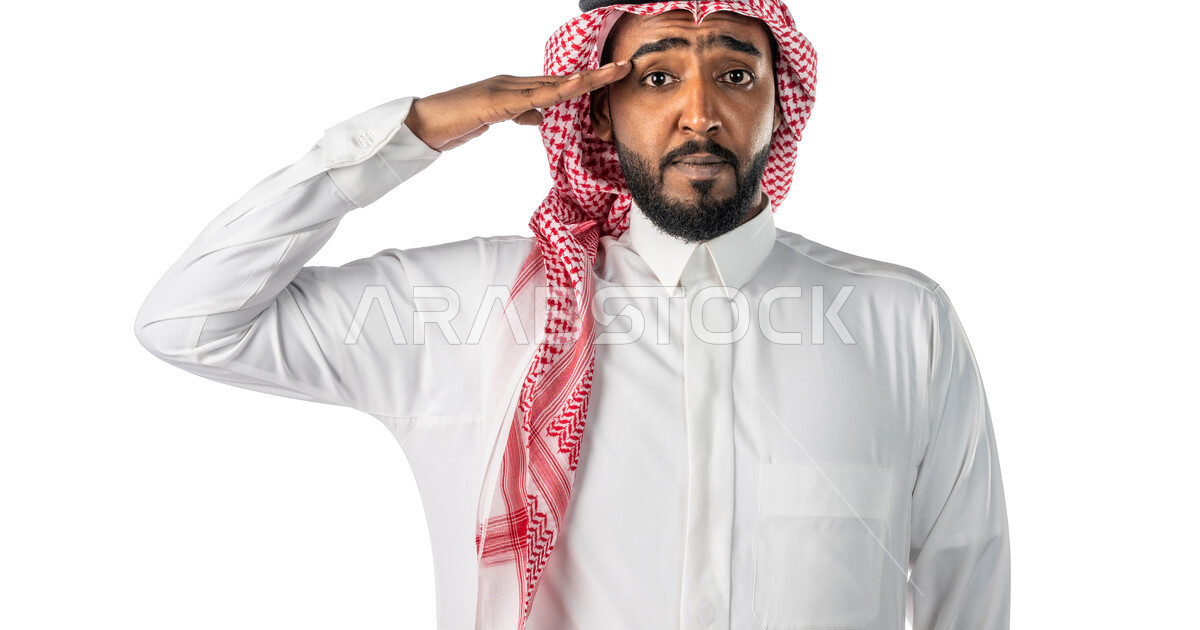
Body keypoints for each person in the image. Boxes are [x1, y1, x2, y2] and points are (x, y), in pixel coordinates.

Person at [133, 1, 1011, 629]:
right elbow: (192, 319)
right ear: (593, 108)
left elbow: (964, 586)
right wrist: (414, 130)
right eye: (657, 74)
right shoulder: (465, 313)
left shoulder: (903, 323)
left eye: (736, 74)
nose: (699, 112)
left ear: (781, 107)